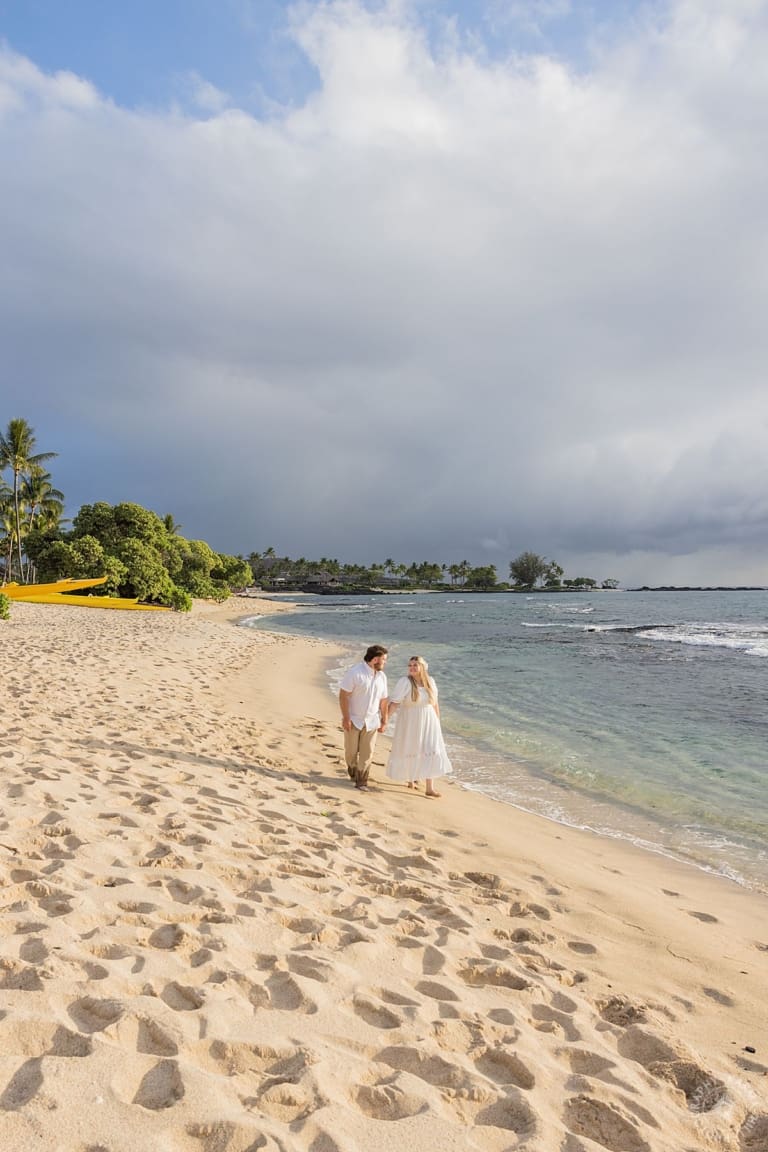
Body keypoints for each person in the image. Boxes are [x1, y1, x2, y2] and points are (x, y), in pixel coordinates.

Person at [386, 656, 452, 797]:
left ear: (422, 667)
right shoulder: (405, 682)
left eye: (415, 665)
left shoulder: (430, 681)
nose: (412, 667)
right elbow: (395, 703)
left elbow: (435, 703)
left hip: (429, 720)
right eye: (410, 665)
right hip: (410, 720)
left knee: (431, 749)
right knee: (412, 748)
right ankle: (410, 780)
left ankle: (429, 788)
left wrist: (437, 722)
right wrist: (384, 720)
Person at [338, 644, 389, 792]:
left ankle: (362, 781)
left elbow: (383, 700)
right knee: (351, 752)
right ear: (374, 659)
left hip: (372, 721)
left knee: (368, 753)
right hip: (354, 719)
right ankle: (353, 773)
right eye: (383, 660)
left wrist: (384, 719)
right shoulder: (355, 673)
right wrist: (346, 718)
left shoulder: (382, 677)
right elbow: (343, 696)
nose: (385, 663)